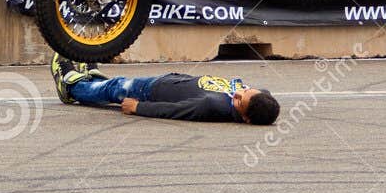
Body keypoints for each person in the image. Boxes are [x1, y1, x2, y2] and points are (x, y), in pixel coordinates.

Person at [50, 56, 280, 125]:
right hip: (169, 81)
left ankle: (72, 88)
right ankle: (91, 80)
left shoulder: (213, 106)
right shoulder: (255, 99)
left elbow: (172, 111)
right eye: (246, 91)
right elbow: (264, 93)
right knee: (114, 86)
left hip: (152, 92)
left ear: (246, 118)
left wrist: (139, 107)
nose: (240, 93)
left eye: (241, 100)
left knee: (115, 88)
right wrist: (260, 98)